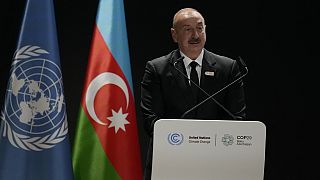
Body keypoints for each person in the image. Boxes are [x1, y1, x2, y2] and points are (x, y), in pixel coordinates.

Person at [140, 8, 246, 180]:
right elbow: (151, 120)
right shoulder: (157, 69)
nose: (195, 35)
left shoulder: (228, 68)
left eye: (199, 28)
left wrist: (207, 141)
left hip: (215, 162)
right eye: (188, 29)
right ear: (174, 35)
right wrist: (187, 140)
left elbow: (237, 118)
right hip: (171, 161)